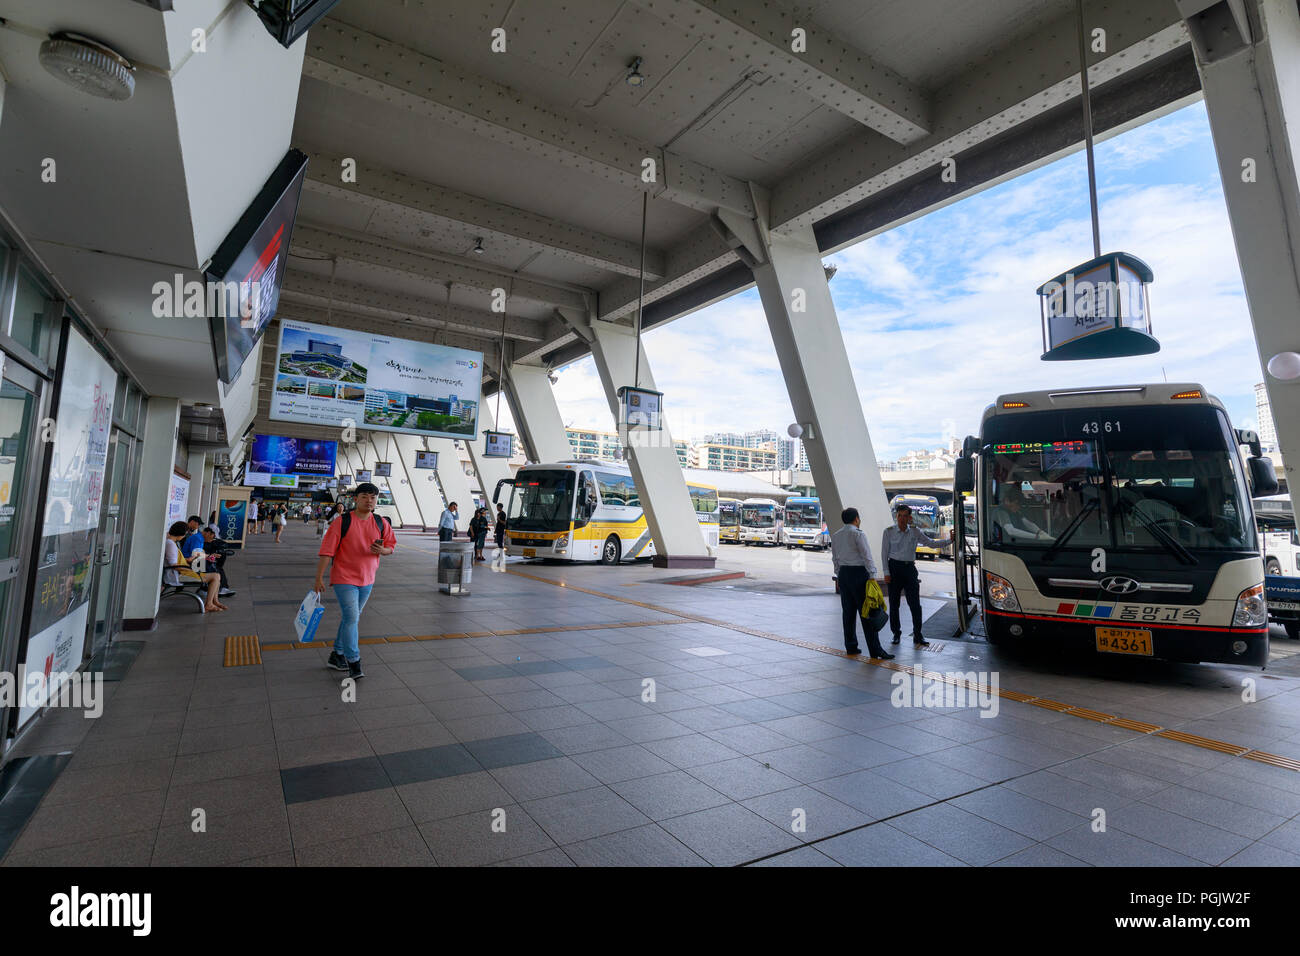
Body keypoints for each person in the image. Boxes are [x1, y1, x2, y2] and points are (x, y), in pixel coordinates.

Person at [314, 483, 397, 680]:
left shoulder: (380, 522)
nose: (369, 501)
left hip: (367, 578)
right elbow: (327, 551)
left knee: (351, 617)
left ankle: (337, 654)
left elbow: (391, 545)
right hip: (344, 577)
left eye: (373, 498)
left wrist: (383, 550)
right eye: (365, 497)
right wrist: (318, 578)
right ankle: (354, 661)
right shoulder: (342, 522)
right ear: (356, 499)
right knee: (352, 618)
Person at [881, 504, 954, 647]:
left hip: (909, 569)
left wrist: (950, 540)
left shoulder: (915, 531)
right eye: (899, 516)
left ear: (909, 518)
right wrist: (886, 573)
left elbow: (931, 544)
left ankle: (918, 634)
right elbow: (884, 553)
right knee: (894, 604)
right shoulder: (888, 532)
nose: (901, 519)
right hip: (894, 568)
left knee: (915, 605)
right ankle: (896, 633)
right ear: (897, 517)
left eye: (904, 516)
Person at [830, 507, 892, 659]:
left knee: (848, 613)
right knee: (867, 612)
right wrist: (872, 575)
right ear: (856, 519)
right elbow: (867, 556)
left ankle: (851, 647)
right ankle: (875, 650)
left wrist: (839, 574)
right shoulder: (858, 534)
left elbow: (835, 558)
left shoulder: (836, 535)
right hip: (859, 575)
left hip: (844, 575)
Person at [166, 521, 227, 612]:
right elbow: (175, 564)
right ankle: (209, 604)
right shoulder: (171, 544)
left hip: (186, 567)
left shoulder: (171, 543)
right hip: (181, 573)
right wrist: (193, 569)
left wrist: (206, 556)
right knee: (215, 575)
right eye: (185, 534)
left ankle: (214, 601)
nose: (185, 536)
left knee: (216, 575)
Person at [201, 526, 237, 597]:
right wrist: (209, 556)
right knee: (216, 569)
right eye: (212, 535)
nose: (213, 537)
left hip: (198, 561)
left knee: (217, 567)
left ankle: (212, 593)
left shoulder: (199, 538)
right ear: (208, 533)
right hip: (196, 564)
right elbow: (194, 555)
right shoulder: (198, 539)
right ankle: (212, 591)